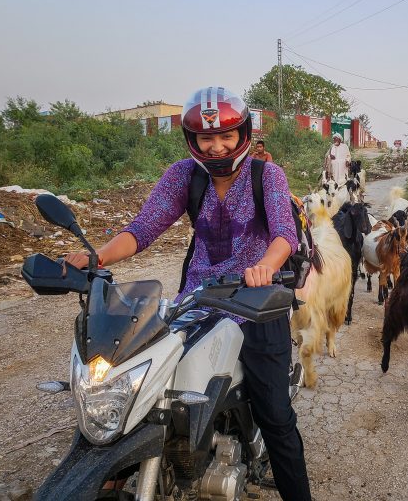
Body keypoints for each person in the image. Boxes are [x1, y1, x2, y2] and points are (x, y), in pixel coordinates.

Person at [65, 86, 312, 501]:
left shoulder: (265, 174)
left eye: (225, 136)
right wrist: (99, 258)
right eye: (206, 138)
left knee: (275, 416)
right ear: (192, 141)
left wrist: (266, 266)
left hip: (255, 301)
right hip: (199, 299)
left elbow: (285, 233)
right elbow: (143, 228)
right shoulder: (184, 175)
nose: (216, 146)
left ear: (243, 135)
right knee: (147, 389)